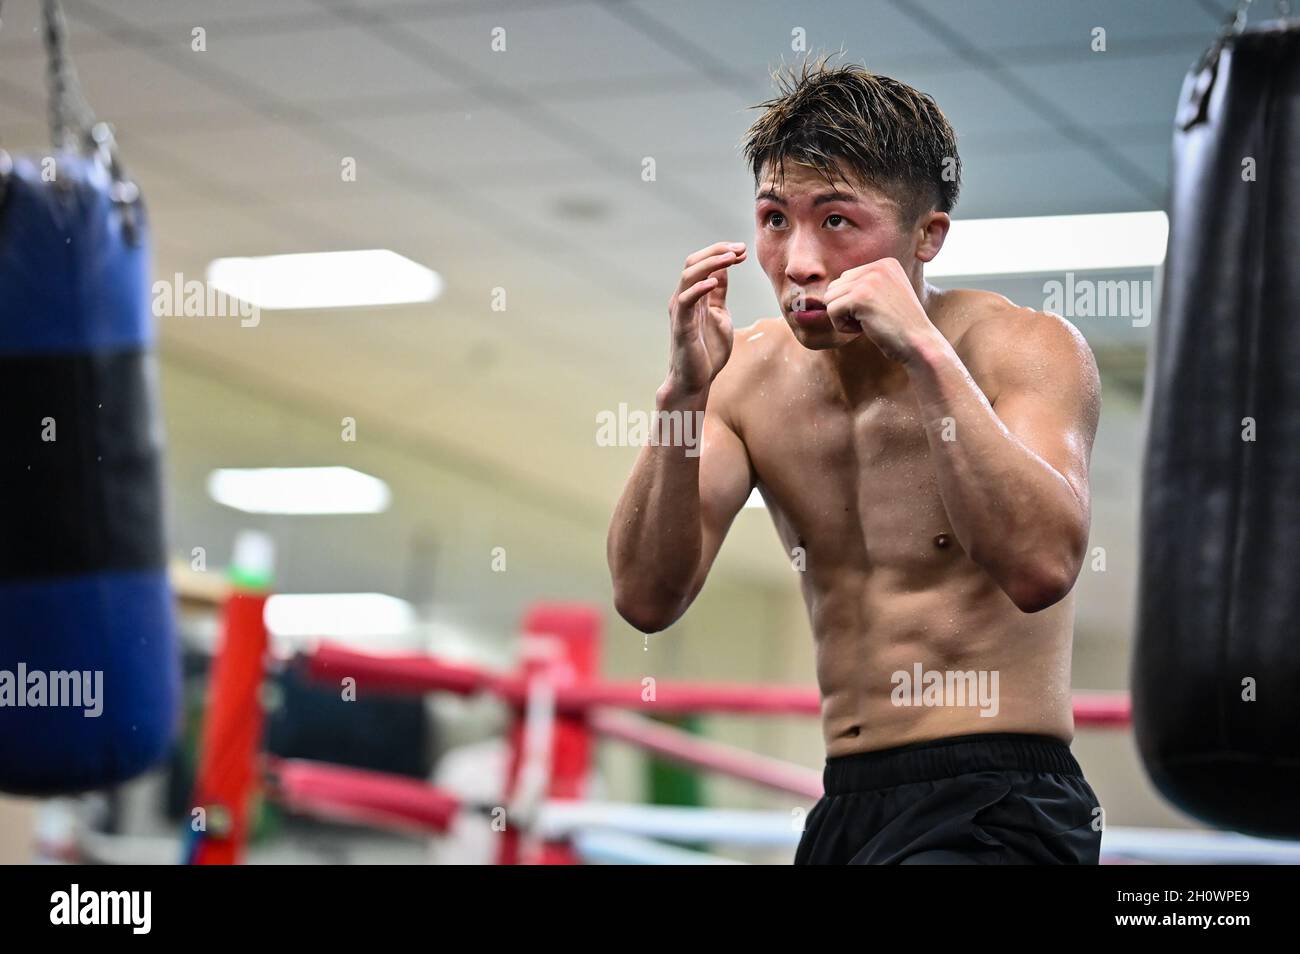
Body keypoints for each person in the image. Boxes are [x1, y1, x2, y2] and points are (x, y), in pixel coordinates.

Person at [606, 58, 1103, 864]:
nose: (799, 259)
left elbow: (1042, 564)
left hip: (998, 800)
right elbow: (645, 596)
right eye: (774, 219)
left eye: (836, 221)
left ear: (927, 235)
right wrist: (681, 400)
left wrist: (926, 357)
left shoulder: (1025, 349)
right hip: (846, 803)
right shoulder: (741, 378)